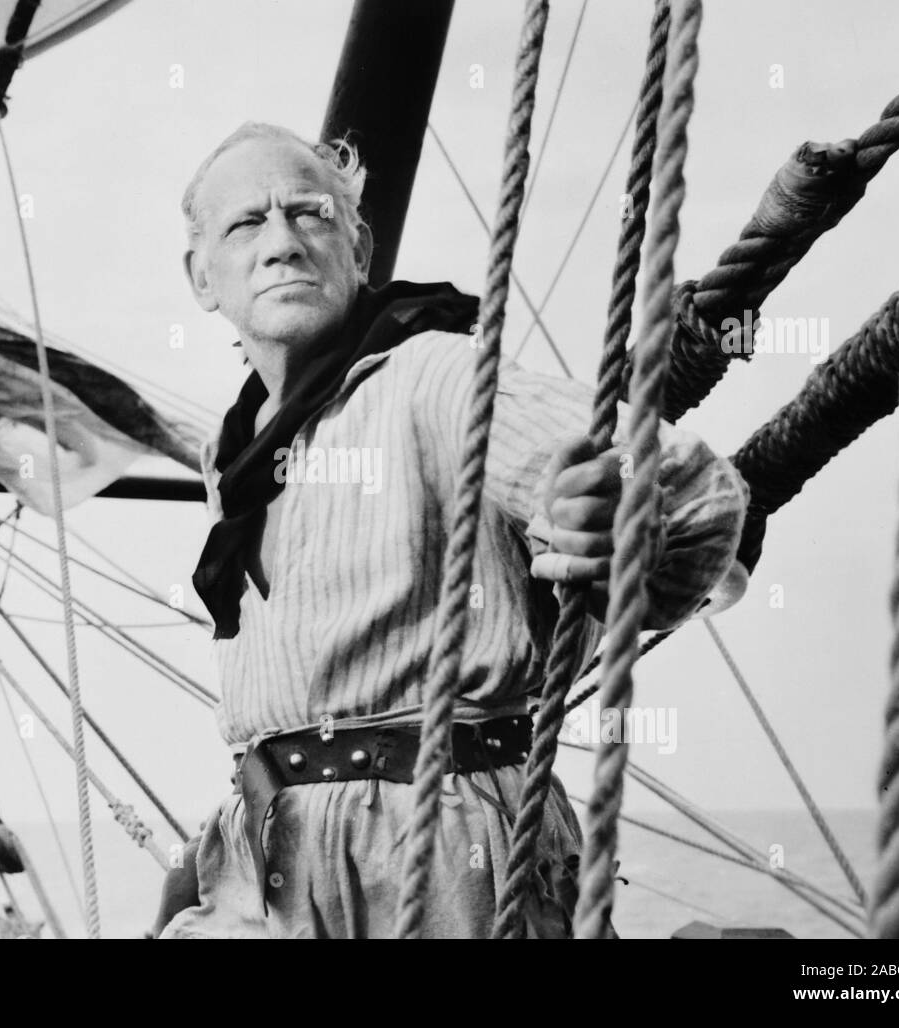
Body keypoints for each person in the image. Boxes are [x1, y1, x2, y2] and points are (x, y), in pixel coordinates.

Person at [154, 122, 749, 939]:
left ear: (358, 248)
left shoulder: (435, 375)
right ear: (202, 277)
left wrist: (613, 523)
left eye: (310, 214)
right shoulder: (229, 452)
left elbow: (684, 483)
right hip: (268, 856)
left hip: (440, 852)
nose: (283, 243)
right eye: (246, 224)